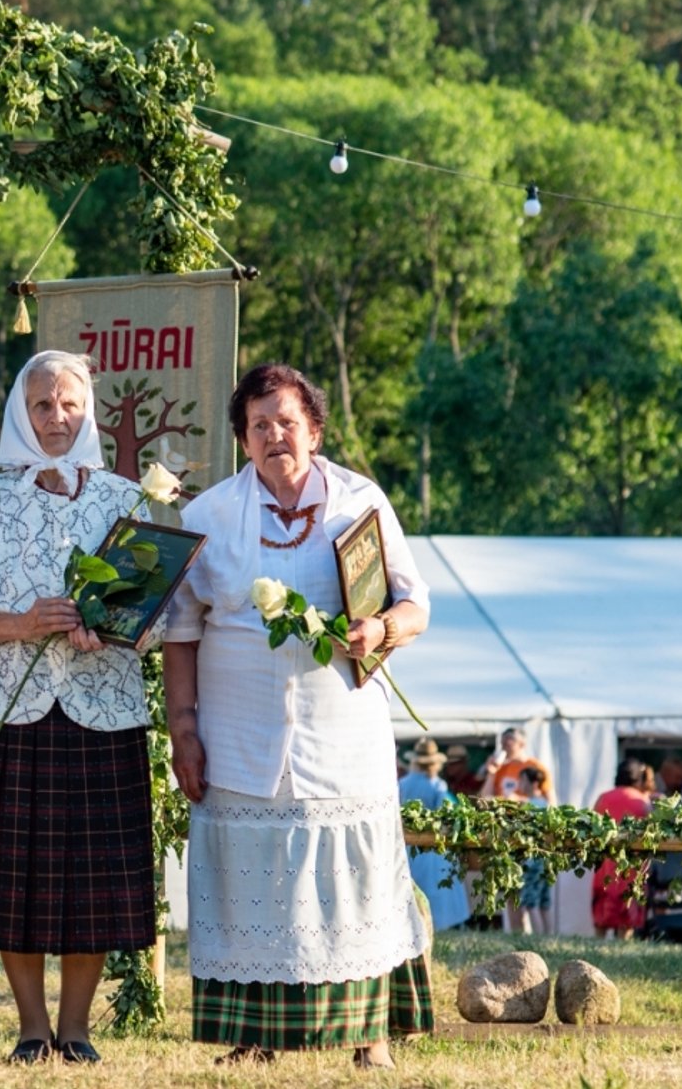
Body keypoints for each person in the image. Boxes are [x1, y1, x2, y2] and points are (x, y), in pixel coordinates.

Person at [163, 363, 433, 1071]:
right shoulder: (210, 515)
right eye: (259, 425)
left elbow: (415, 603)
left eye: (286, 421)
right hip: (238, 735)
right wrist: (183, 731)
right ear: (242, 441)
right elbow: (181, 631)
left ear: (313, 428)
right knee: (255, 877)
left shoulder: (358, 503)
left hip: (342, 734)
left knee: (353, 880)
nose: (274, 434)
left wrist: (381, 631)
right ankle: (253, 1034)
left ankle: (370, 1034)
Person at [0, 350, 158, 1066]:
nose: (57, 417)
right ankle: (31, 1028)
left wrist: (115, 628)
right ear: (19, 414)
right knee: (14, 877)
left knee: (92, 878)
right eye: (41, 405)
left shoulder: (125, 498)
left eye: (69, 404)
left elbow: (153, 618)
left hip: (104, 705)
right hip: (11, 709)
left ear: (87, 408)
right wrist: (17, 623)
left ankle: (79, 1028)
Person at [397, 740, 468, 932]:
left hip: (409, 846)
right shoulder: (437, 785)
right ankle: (439, 926)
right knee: (438, 888)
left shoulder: (402, 784)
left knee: (414, 886)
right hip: (434, 845)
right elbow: (445, 813)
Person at [590, 759, 656, 939]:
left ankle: (597, 945)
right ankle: (622, 947)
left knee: (603, 906)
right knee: (628, 911)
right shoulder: (642, 800)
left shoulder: (603, 797)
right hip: (632, 863)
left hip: (605, 863)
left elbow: (592, 825)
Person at [510, 765, 555, 936]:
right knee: (544, 901)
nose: (519, 783)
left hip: (532, 860)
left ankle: (538, 937)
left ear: (534, 783)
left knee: (530, 902)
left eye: (522, 780)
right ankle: (549, 937)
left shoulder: (529, 806)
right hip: (547, 859)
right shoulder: (546, 804)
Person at [479, 728, 543, 801]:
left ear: (522, 744)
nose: (505, 744)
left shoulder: (535, 766)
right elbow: (485, 798)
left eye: (510, 739)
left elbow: (549, 803)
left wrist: (518, 800)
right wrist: (491, 774)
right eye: (503, 741)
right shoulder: (499, 767)